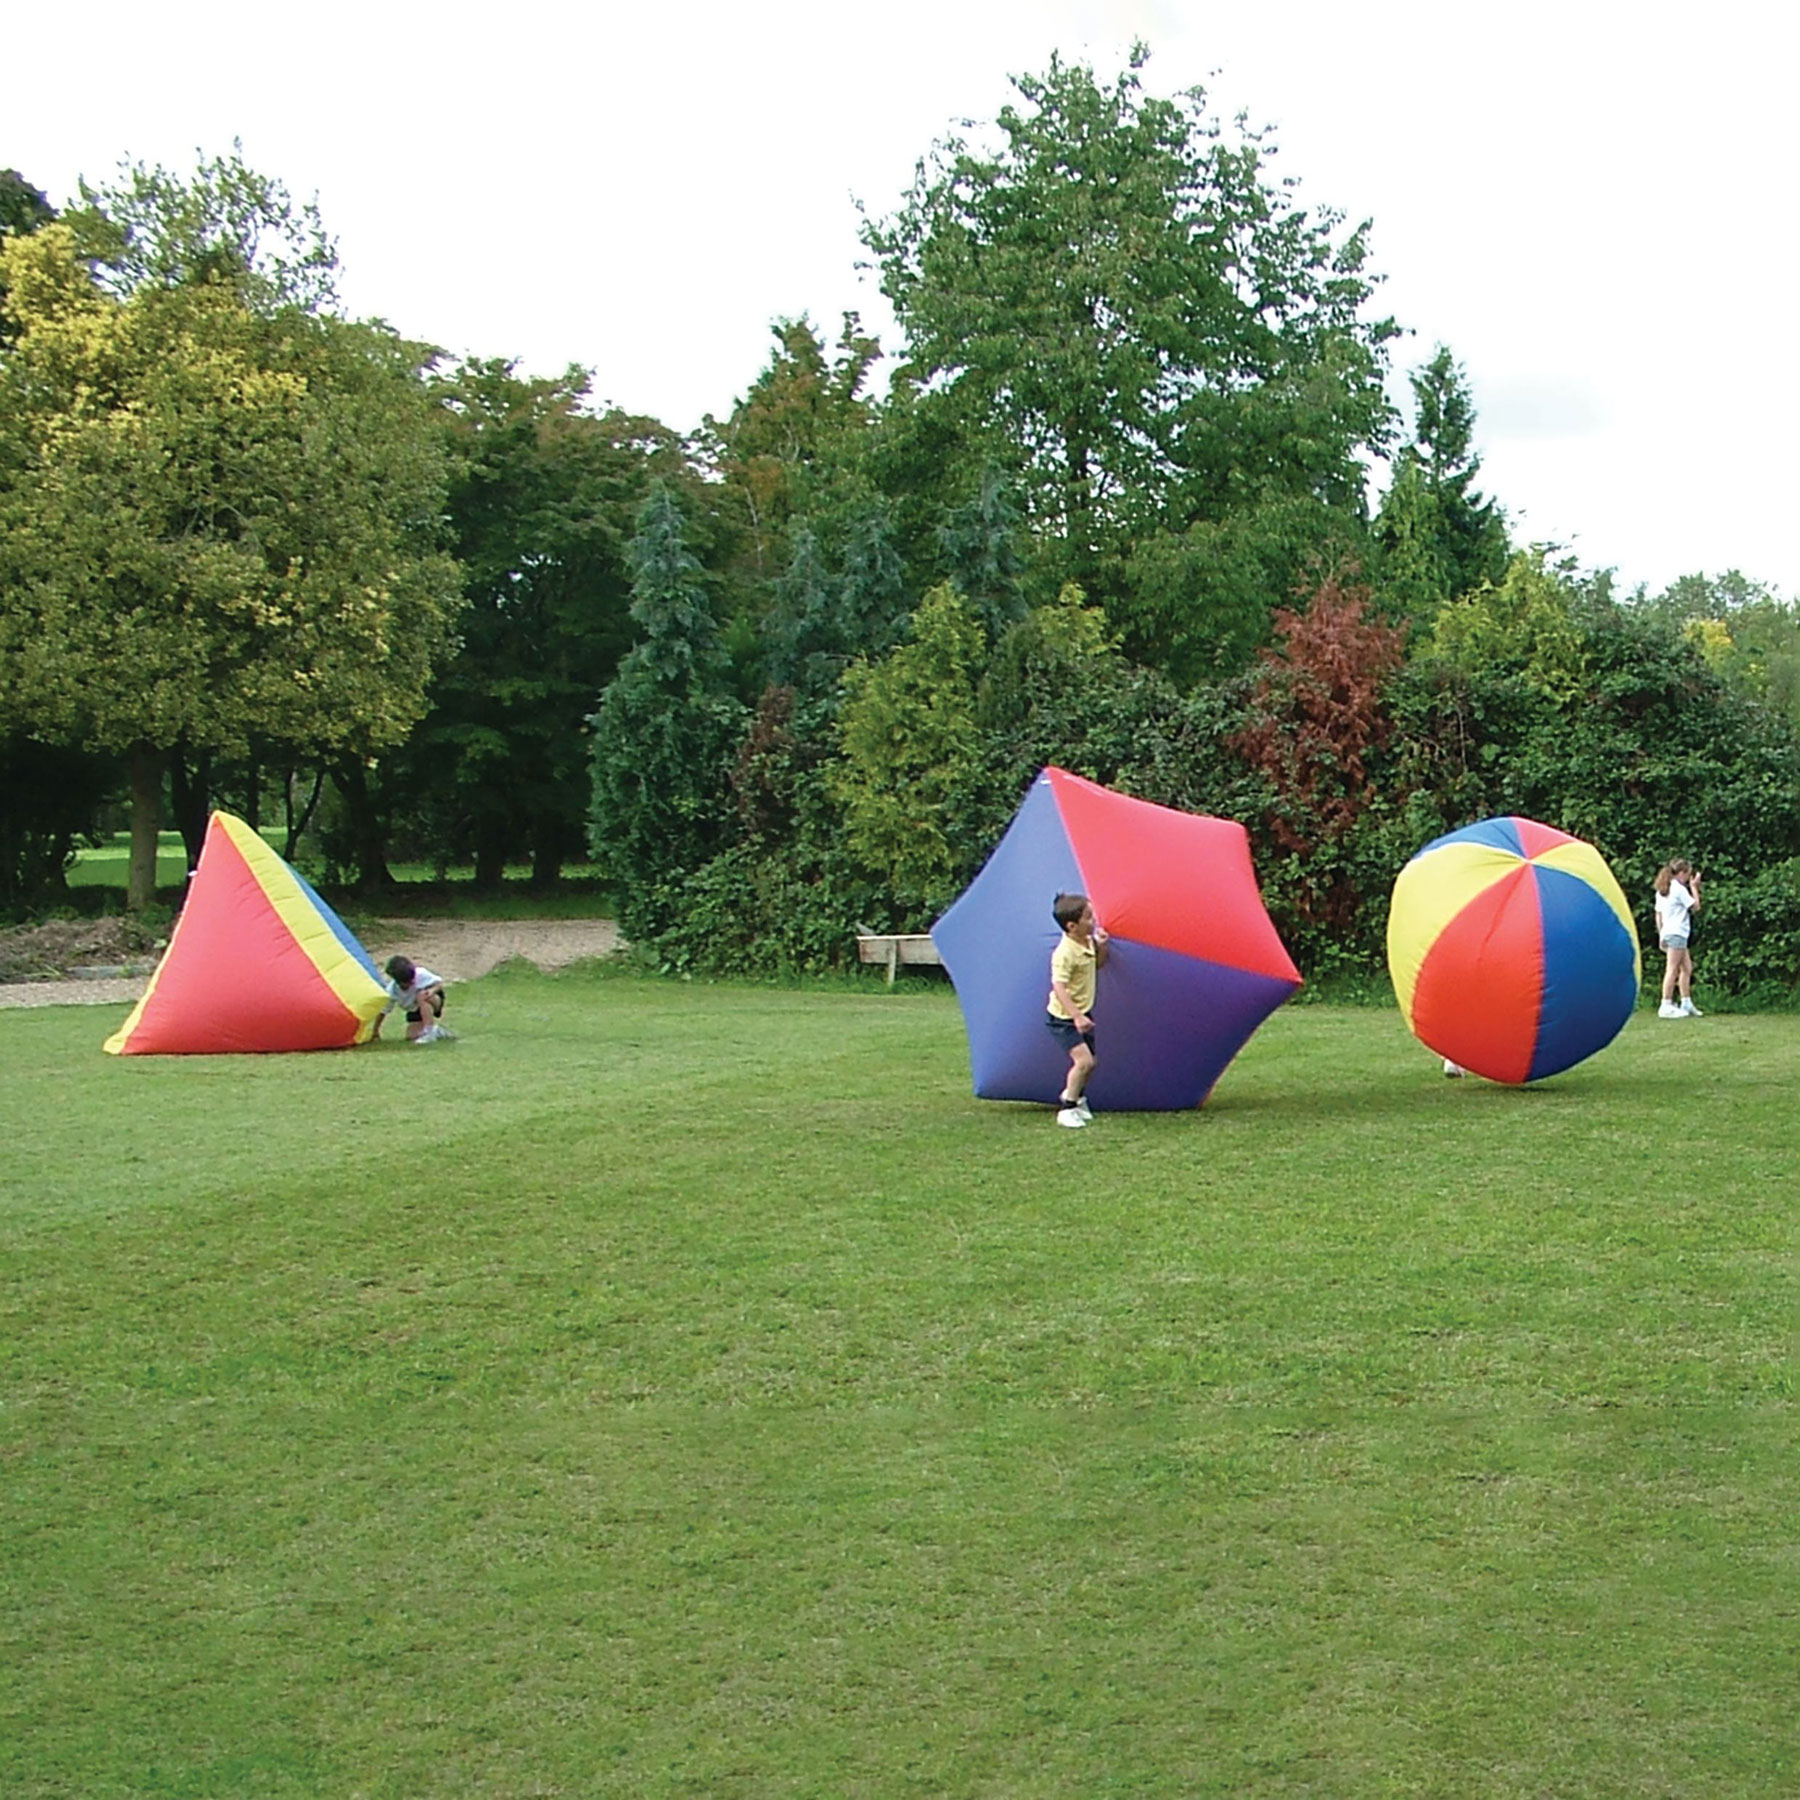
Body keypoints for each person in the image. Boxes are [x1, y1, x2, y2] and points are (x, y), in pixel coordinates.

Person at [1046, 892, 1109, 1128]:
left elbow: (1098, 965)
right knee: (1084, 1062)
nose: (1093, 921)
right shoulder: (1064, 953)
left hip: (1082, 1013)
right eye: (1089, 918)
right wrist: (1077, 1016)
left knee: (1091, 1062)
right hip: (1063, 1018)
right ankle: (1067, 1107)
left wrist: (1102, 946)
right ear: (1072, 926)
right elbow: (1059, 986)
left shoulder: (1087, 942)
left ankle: (1078, 1099)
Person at [1653, 859, 1702, 1018]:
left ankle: (1686, 1002)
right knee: (1672, 969)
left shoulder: (1662, 890)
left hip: (1669, 932)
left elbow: (1658, 915)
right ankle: (1665, 1004)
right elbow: (1695, 906)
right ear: (1681, 873)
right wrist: (1694, 887)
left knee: (1686, 968)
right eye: (1688, 874)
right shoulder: (1679, 889)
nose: (1688, 878)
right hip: (1678, 932)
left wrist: (1662, 935)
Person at [374, 954, 454, 1044]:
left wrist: (432, 991)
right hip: (415, 1008)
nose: (412, 982)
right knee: (412, 1036)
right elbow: (383, 1011)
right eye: (408, 982)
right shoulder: (392, 991)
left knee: (421, 995)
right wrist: (375, 1031)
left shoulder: (421, 974)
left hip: (432, 1000)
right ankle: (438, 1031)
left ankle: (429, 1031)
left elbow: (439, 983)